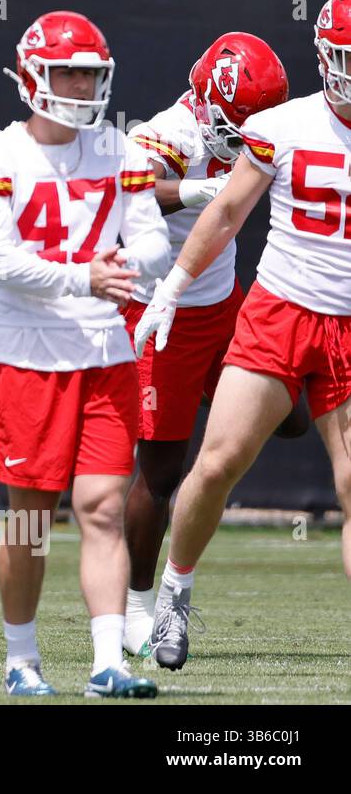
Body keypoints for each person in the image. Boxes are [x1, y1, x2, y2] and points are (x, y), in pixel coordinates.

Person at [135, 0, 351, 670]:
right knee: (207, 462)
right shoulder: (278, 124)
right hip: (271, 312)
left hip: (324, 322)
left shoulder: (271, 121)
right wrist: (169, 287)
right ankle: (164, 599)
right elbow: (218, 211)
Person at [0, 10, 170, 696]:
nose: (79, 85)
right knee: (29, 516)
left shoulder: (122, 152)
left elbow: (153, 244)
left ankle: (108, 662)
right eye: (66, 71)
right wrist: (85, 275)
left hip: (106, 352)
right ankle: (21, 659)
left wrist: (124, 263)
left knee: (104, 508)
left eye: (89, 72)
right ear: (30, 77)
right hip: (28, 355)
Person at [120, 32, 305, 657]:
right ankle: (137, 607)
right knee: (163, 471)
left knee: (293, 418)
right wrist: (204, 192)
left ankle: (216, 399)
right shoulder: (170, 130)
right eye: (240, 120)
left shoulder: (262, 125)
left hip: (223, 305)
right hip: (162, 314)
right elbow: (131, 186)